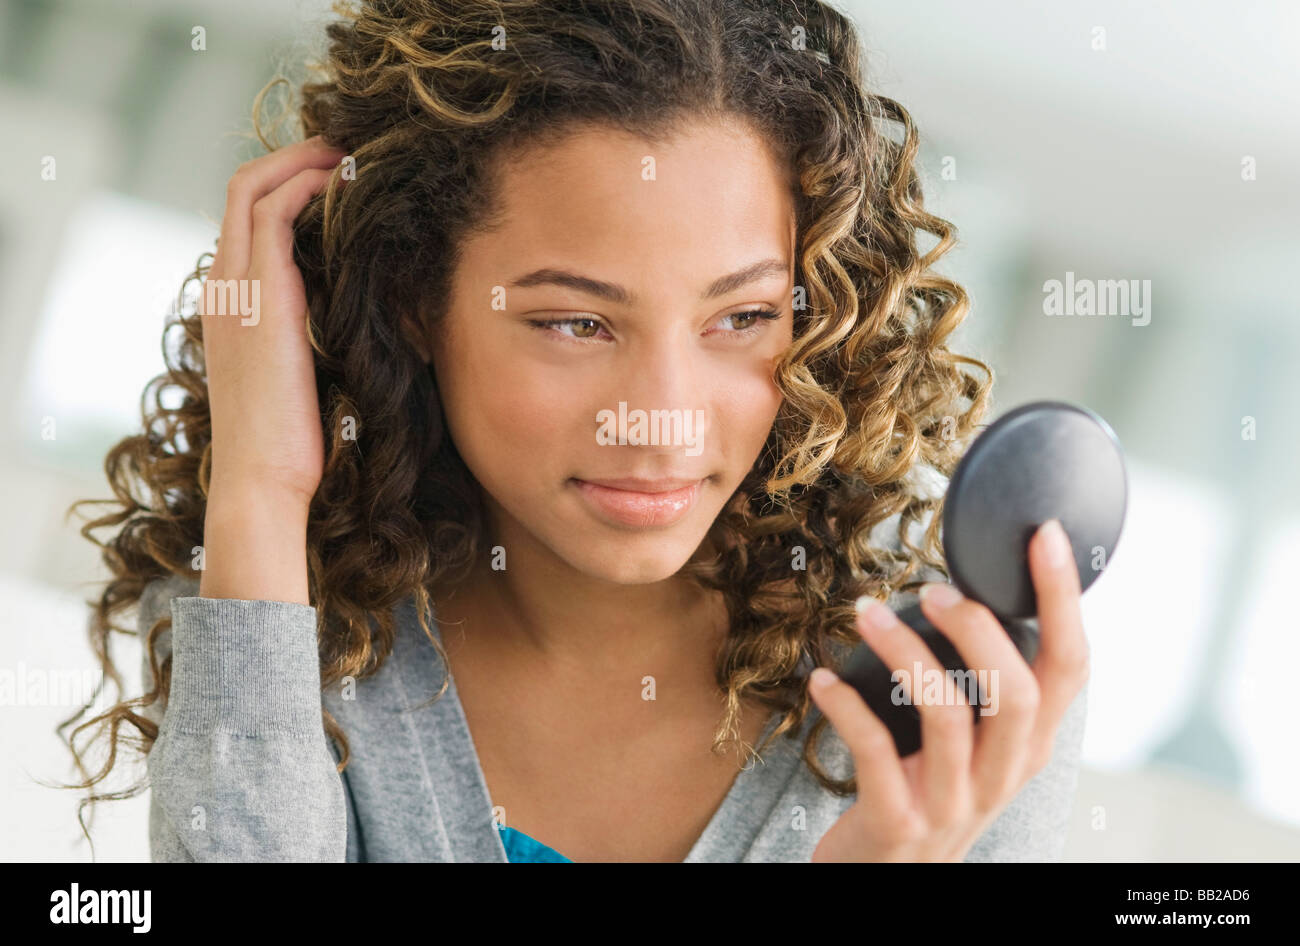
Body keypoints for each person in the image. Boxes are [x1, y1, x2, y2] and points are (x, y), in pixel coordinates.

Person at [63, 0, 1089, 863]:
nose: (661, 417)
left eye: (740, 318)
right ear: (417, 302)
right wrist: (260, 482)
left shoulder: (948, 697)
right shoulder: (282, 613)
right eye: (575, 322)